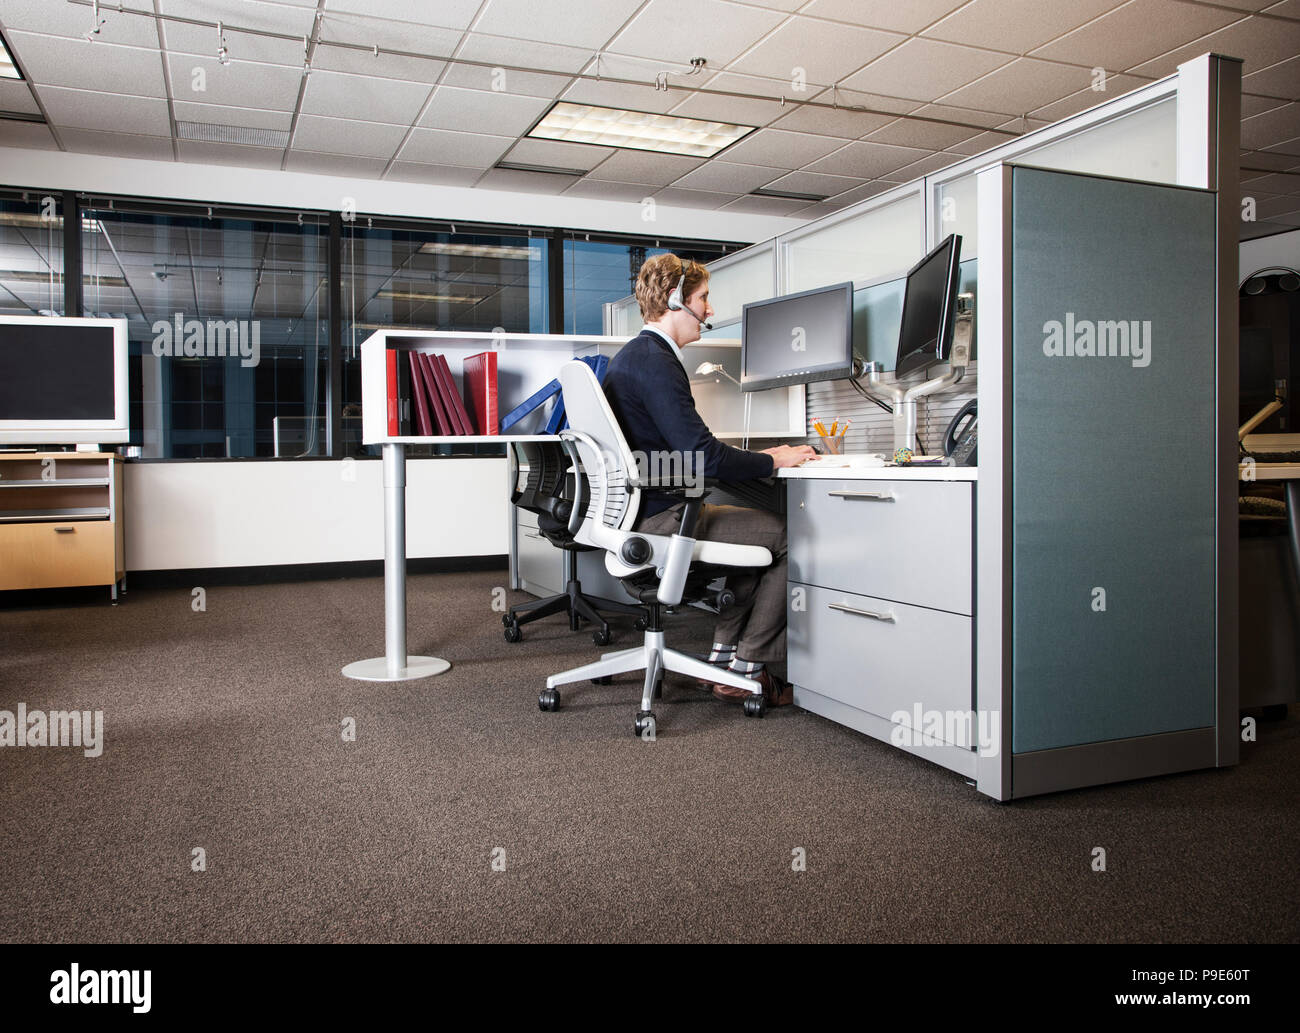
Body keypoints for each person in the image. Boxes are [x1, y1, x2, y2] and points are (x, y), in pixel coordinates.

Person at [602, 253, 815, 707]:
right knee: (791, 537)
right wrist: (772, 460)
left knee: (754, 532)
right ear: (677, 301)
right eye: (704, 299)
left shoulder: (634, 357)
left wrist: (759, 459)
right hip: (663, 519)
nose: (710, 310)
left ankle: (721, 659)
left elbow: (685, 451)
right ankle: (747, 667)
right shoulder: (656, 362)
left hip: (643, 511)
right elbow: (703, 457)